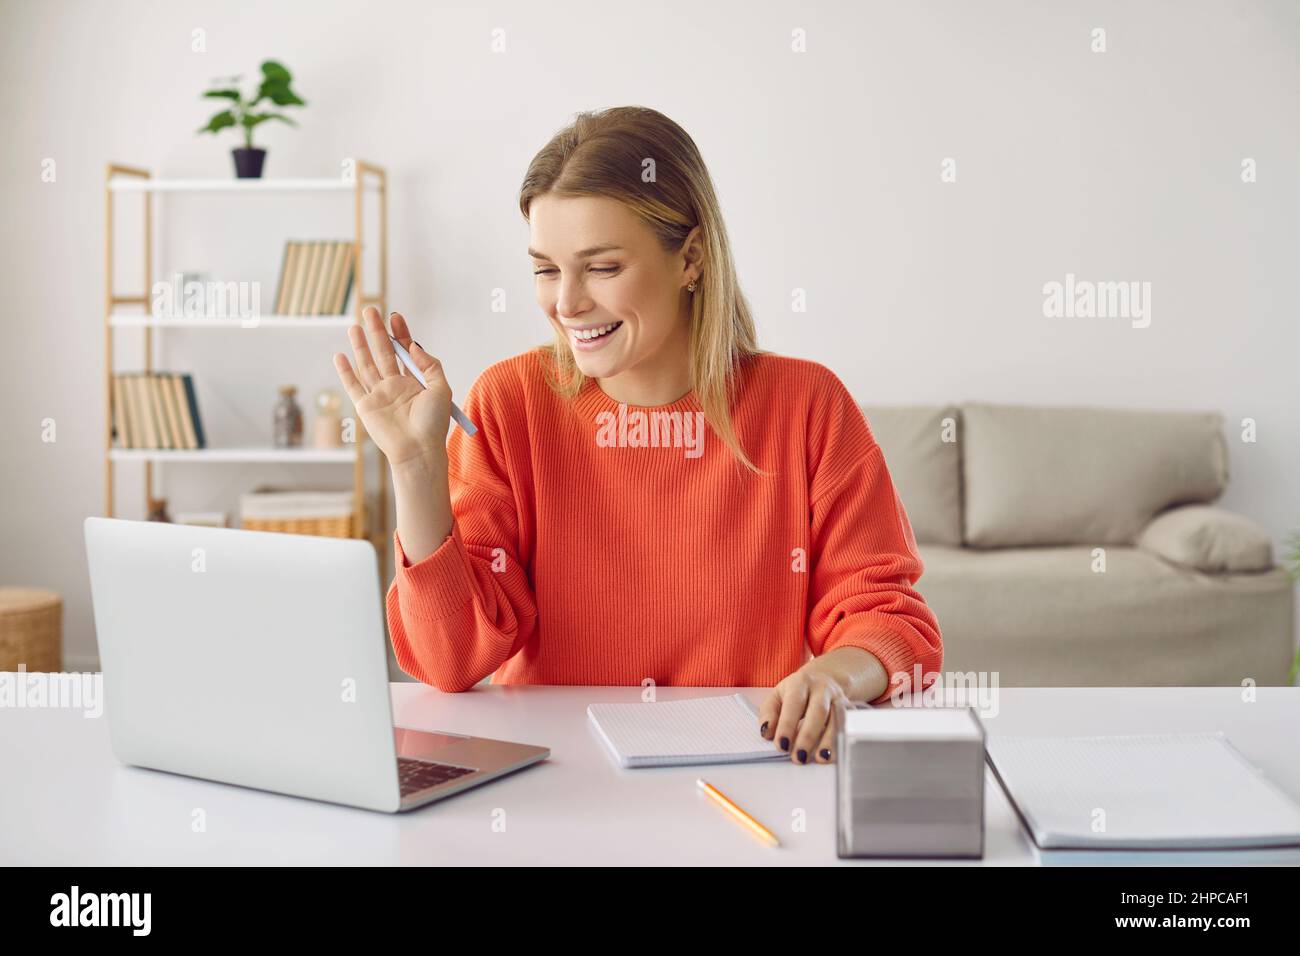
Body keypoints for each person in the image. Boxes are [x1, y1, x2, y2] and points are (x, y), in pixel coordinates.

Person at [333, 106, 942, 765]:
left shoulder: (806, 406)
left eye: (602, 267)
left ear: (691, 259)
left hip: (742, 769)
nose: (566, 303)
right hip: (557, 776)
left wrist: (835, 675)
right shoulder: (509, 405)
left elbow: (889, 621)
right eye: (545, 268)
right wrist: (414, 469)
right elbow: (447, 662)